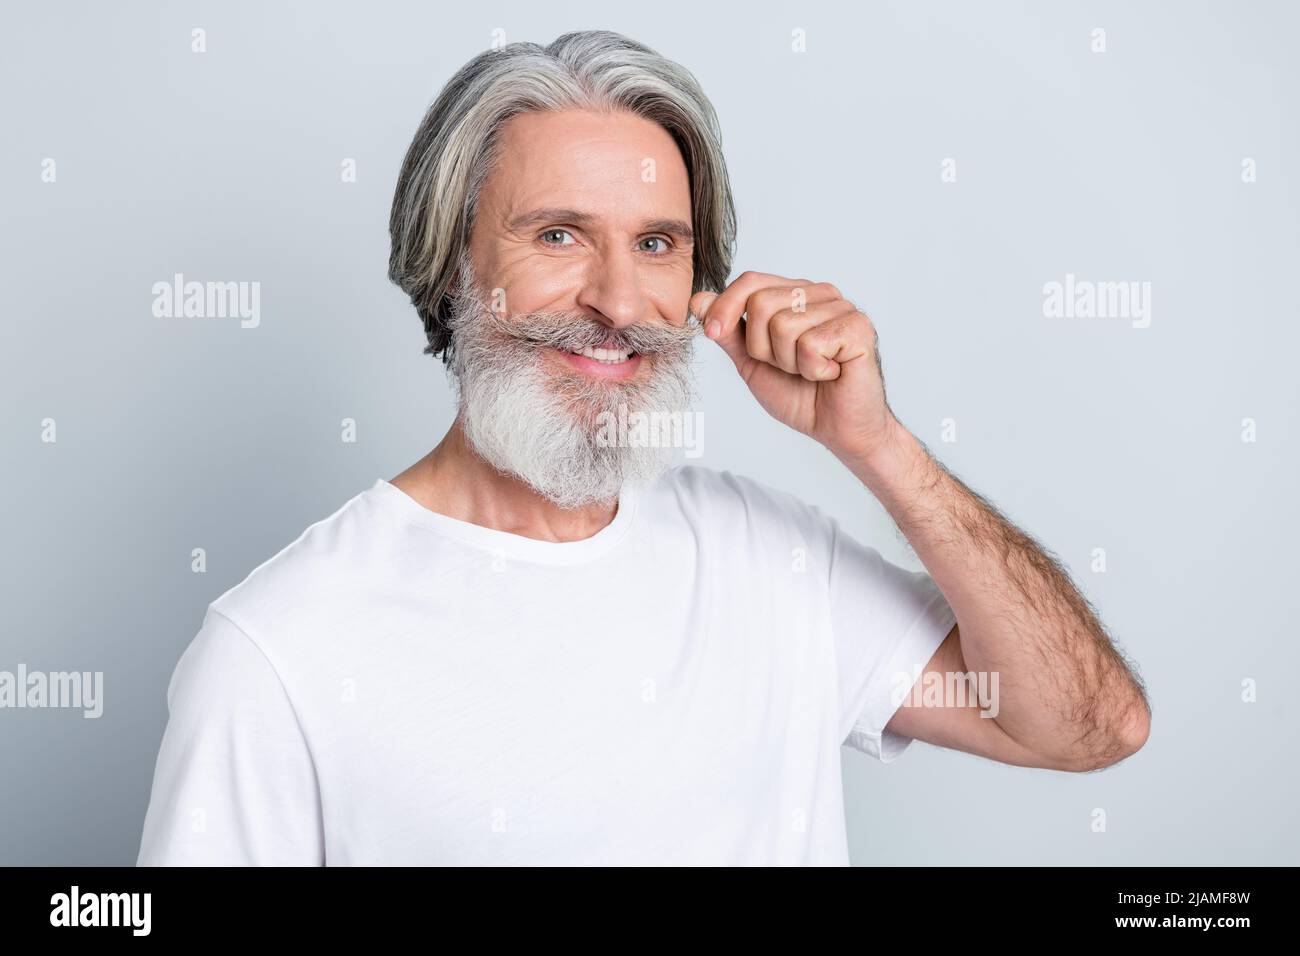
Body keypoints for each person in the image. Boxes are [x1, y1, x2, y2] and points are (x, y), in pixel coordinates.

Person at [137, 30, 1149, 866]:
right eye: (558, 235)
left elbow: (1087, 725)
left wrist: (878, 446)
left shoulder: (772, 560)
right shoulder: (278, 649)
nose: (619, 304)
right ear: (450, 263)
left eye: (657, 243)